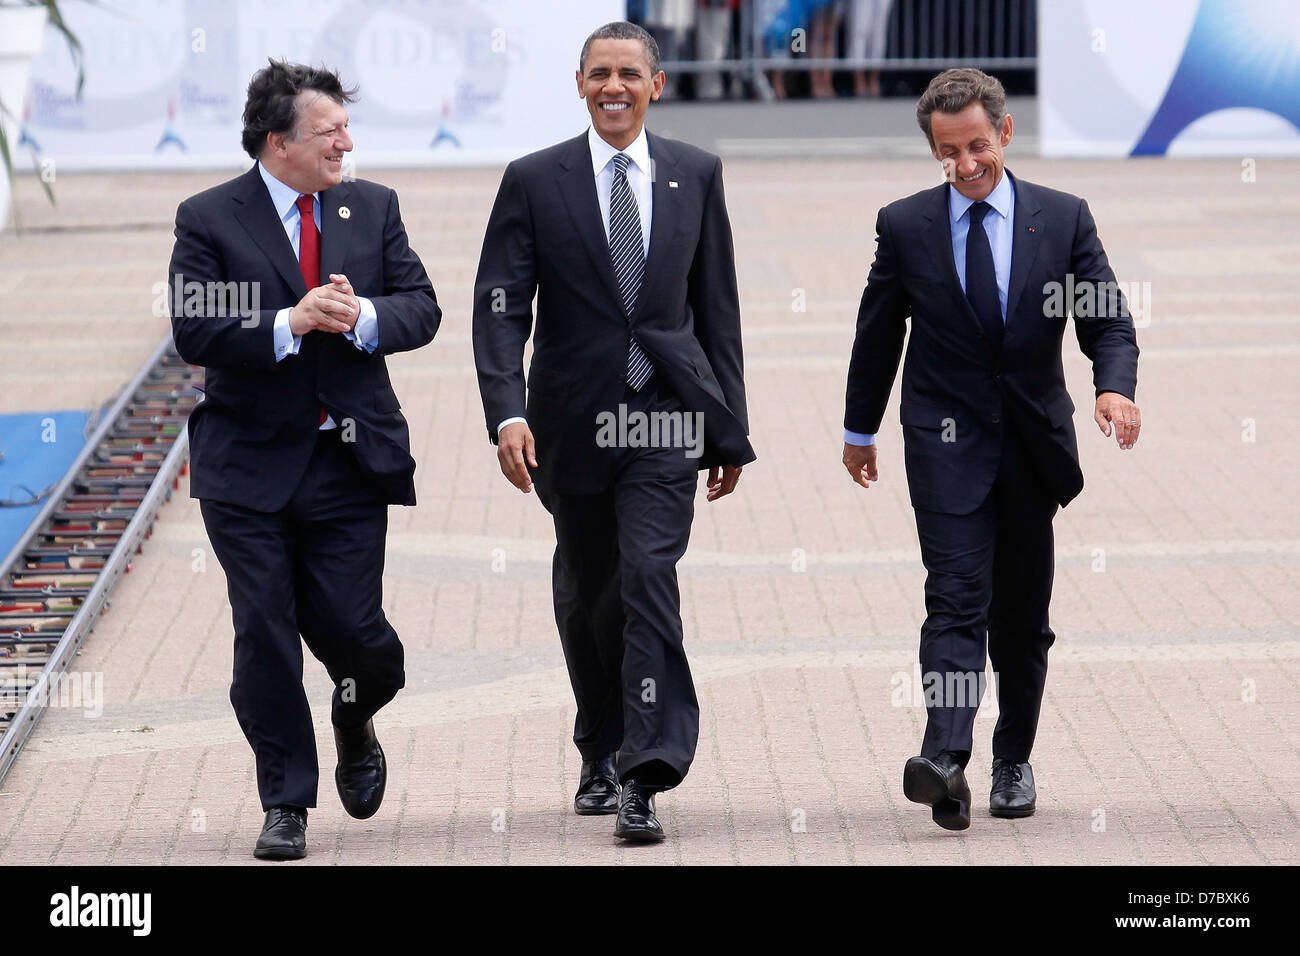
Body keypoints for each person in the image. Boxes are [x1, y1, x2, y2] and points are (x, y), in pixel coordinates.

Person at [472, 21, 754, 842]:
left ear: (656, 84)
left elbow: (718, 312)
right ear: (579, 82)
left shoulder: (696, 175)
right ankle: (598, 742)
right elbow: (500, 308)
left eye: (629, 73)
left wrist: (727, 430)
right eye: (600, 73)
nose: (614, 87)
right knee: (590, 594)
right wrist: (507, 411)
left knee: (648, 579)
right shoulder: (534, 180)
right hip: (571, 420)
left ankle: (645, 769)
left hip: (665, 412)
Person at [841, 68, 1140, 831]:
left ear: (1005, 132)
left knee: (1021, 617)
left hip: (1031, 447)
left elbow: (1105, 316)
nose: (966, 164)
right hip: (943, 442)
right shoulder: (905, 225)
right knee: (953, 601)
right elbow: (878, 334)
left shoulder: (1063, 218)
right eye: (949, 152)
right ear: (933, 151)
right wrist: (858, 430)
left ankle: (1012, 759)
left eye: (978, 145)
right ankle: (944, 758)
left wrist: (1113, 386)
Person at [168, 60, 440, 860]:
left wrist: (360, 318)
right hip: (247, 468)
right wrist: (290, 319)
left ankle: (354, 719)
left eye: (346, 131)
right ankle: (284, 799)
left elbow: (421, 308)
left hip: (350, 463)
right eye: (330, 134)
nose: (345, 145)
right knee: (265, 633)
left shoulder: (372, 206)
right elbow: (196, 325)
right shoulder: (210, 217)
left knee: (359, 639)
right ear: (276, 141)